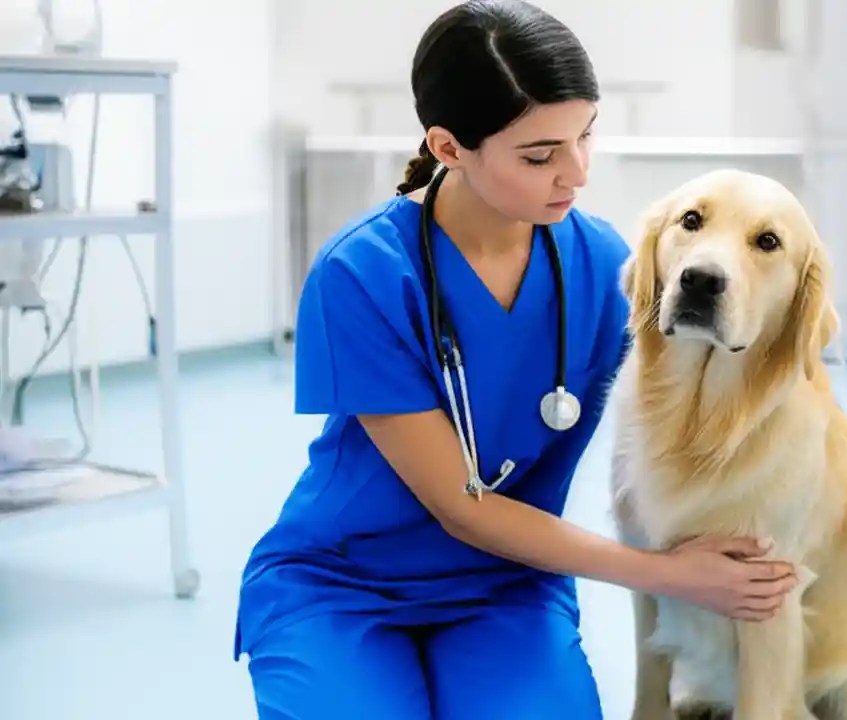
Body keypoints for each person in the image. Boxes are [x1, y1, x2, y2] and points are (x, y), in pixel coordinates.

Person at [233, 1, 799, 718]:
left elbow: (714, 380)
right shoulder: (363, 274)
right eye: (540, 155)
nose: (577, 173)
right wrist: (668, 575)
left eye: (584, 137)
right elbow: (461, 508)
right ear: (447, 148)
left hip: (508, 585)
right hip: (344, 585)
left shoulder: (603, 266)